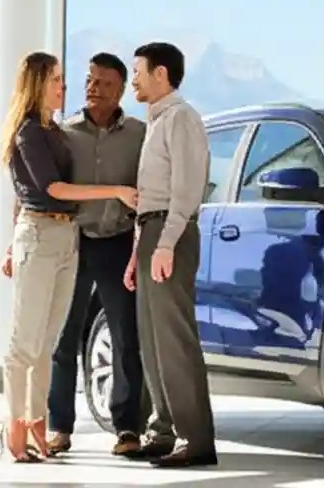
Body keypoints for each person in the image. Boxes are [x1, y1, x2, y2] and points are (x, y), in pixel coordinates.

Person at [0, 51, 138, 464]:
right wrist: (115, 189)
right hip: (43, 236)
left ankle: (38, 422)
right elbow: (51, 188)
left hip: (68, 238)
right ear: (38, 83)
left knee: (48, 342)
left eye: (63, 79)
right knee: (28, 344)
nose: (69, 86)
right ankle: (16, 424)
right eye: (58, 79)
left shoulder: (54, 131)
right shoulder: (30, 131)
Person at [118, 41, 218, 469]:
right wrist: (137, 251)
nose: (133, 79)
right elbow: (150, 198)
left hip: (170, 232)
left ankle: (195, 440)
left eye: (138, 71)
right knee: (152, 341)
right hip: (149, 230)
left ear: (161, 74)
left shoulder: (181, 118)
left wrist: (165, 243)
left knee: (175, 340)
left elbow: (187, 189)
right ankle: (162, 432)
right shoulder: (156, 121)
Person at [46, 53, 148, 457]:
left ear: (120, 89)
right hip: (71, 242)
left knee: (126, 338)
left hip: (118, 242)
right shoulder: (63, 132)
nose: (93, 88)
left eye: (103, 82)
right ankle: (59, 427)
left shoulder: (139, 134)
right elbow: (44, 187)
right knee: (63, 337)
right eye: (89, 80)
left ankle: (127, 428)